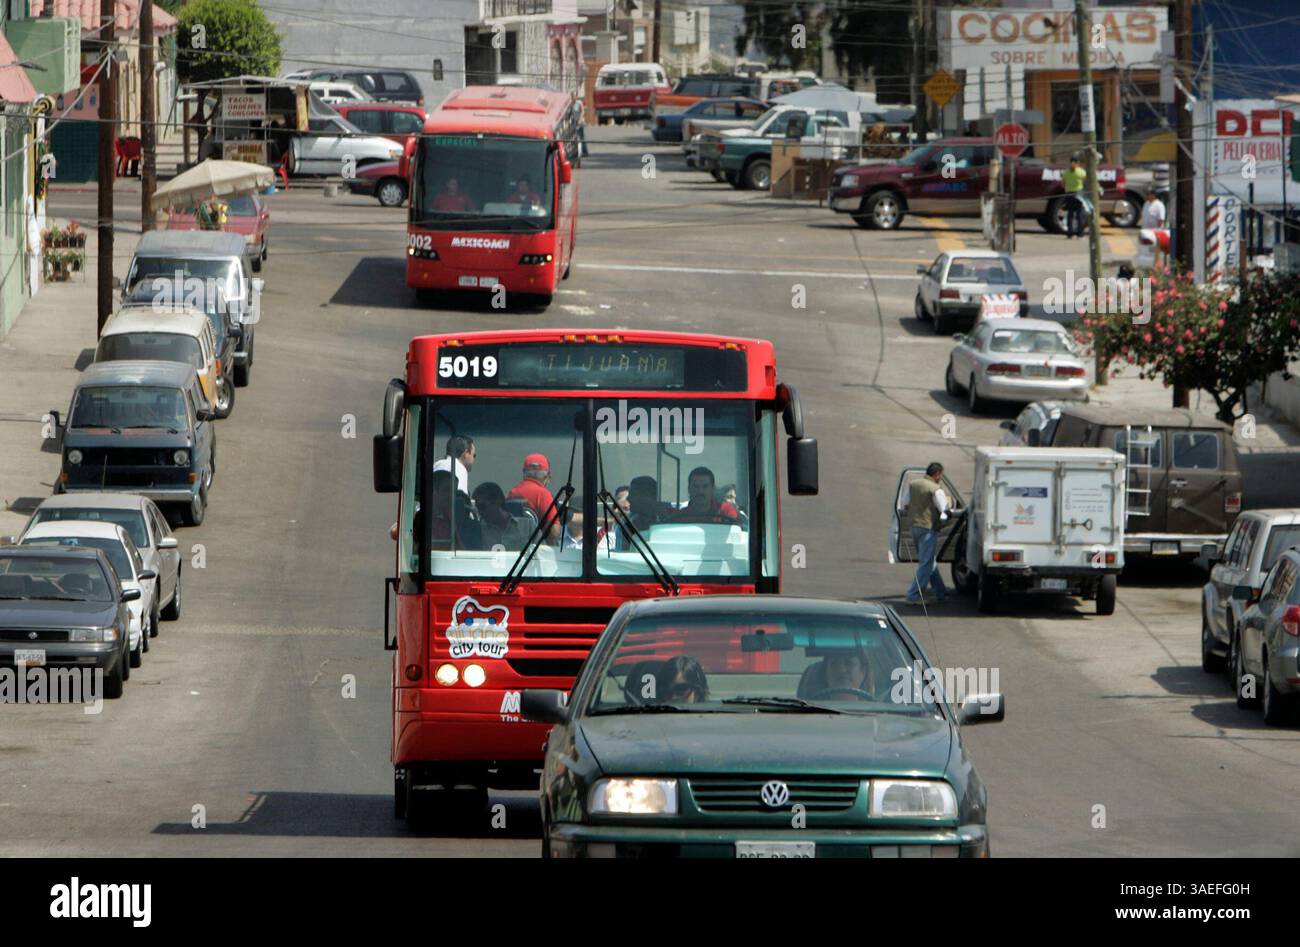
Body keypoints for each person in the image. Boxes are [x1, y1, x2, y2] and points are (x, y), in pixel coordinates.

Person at [905, 462, 950, 604]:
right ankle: (913, 595)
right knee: (925, 563)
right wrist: (944, 521)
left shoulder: (913, 485)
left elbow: (905, 503)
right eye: (941, 475)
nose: (941, 478)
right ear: (936, 474)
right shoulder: (936, 489)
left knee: (930, 561)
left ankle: (940, 591)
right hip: (928, 528)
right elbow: (945, 510)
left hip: (914, 527)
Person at [472, 481, 532, 551]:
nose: (480, 512)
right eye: (477, 508)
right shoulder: (478, 531)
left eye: (482, 506)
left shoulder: (528, 526)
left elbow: (543, 554)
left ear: (498, 501)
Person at [429, 469, 481, 549]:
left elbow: (460, 549)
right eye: (446, 490)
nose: (451, 495)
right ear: (433, 490)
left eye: (454, 491)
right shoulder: (422, 520)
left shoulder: (452, 519)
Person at [669, 467, 740, 522]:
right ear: (689, 489)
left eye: (705, 486)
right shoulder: (679, 517)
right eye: (695, 486)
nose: (700, 491)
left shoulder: (726, 512)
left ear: (712, 489)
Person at [507, 453, 554, 524]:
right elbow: (554, 531)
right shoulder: (543, 494)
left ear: (524, 472)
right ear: (547, 476)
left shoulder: (512, 492)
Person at [1062, 156, 1087, 238]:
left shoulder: (1066, 172)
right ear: (1078, 163)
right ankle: (1080, 233)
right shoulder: (1081, 172)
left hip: (1069, 194)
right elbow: (1085, 182)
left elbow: (1063, 184)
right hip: (1079, 193)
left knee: (1070, 213)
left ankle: (1069, 233)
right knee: (1079, 214)